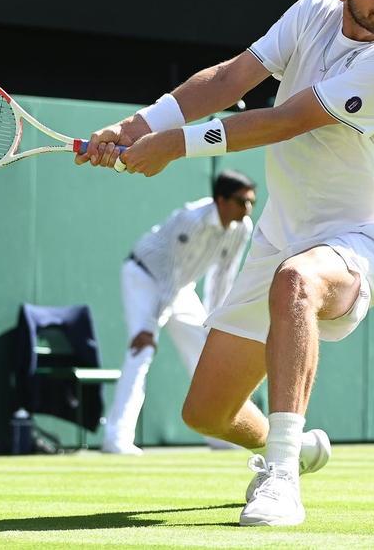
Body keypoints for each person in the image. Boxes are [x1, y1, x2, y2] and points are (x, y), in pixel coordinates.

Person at [77, 0, 374, 527]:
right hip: (284, 228)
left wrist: (174, 147)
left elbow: (284, 119)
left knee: (297, 281)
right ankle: (294, 446)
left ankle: (282, 479)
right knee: (207, 414)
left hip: (364, 233)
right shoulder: (312, 11)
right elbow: (232, 79)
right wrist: (136, 127)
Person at [102, 171, 258, 455]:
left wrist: (217, 322)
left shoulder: (242, 227)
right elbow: (169, 274)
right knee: (142, 350)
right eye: (241, 202)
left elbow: (223, 277)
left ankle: (220, 432)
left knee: (207, 354)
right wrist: (149, 325)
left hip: (181, 287)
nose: (247, 209)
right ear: (220, 200)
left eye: (251, 203)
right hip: (145, 278)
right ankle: (117, 437)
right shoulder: (192, 220)